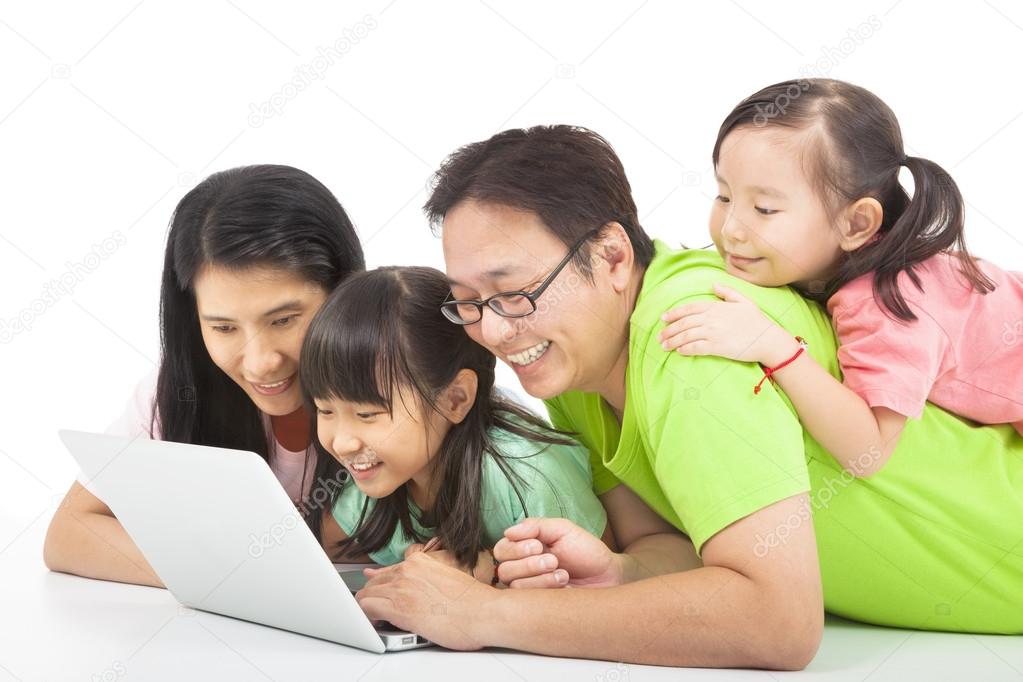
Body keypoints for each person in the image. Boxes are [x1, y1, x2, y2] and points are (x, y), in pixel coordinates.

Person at [355, 122, 1023, 669]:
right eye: (469, 302)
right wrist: (620, 572)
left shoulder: (692, 340)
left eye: (515, 291)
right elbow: (672, 547)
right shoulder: (576, 365)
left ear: (612, 257)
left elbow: (778, 624)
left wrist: (487, 616)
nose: (496, 332)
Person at [658, 78, 1023, 476]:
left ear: (856, 224)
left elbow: (869, 453)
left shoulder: (883, 304)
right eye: (724, 196)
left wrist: (772, 345)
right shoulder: (831, 262)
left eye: (764, 209)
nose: (731, 229)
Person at [43, 165, 365, 586]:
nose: (261, 362)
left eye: (283, 320)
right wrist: (232, 571)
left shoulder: (402, 380)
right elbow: (69, 534)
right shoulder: (179, 391)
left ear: (342, 289)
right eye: (224, 328)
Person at [300, 266, 609, 579]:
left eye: (367, 415)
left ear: (455, 399)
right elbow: (312, 554)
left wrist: (489, 574)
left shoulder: (530, 477)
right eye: (325, 410)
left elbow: (597, 588)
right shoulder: (367, 489)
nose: (343, 443)